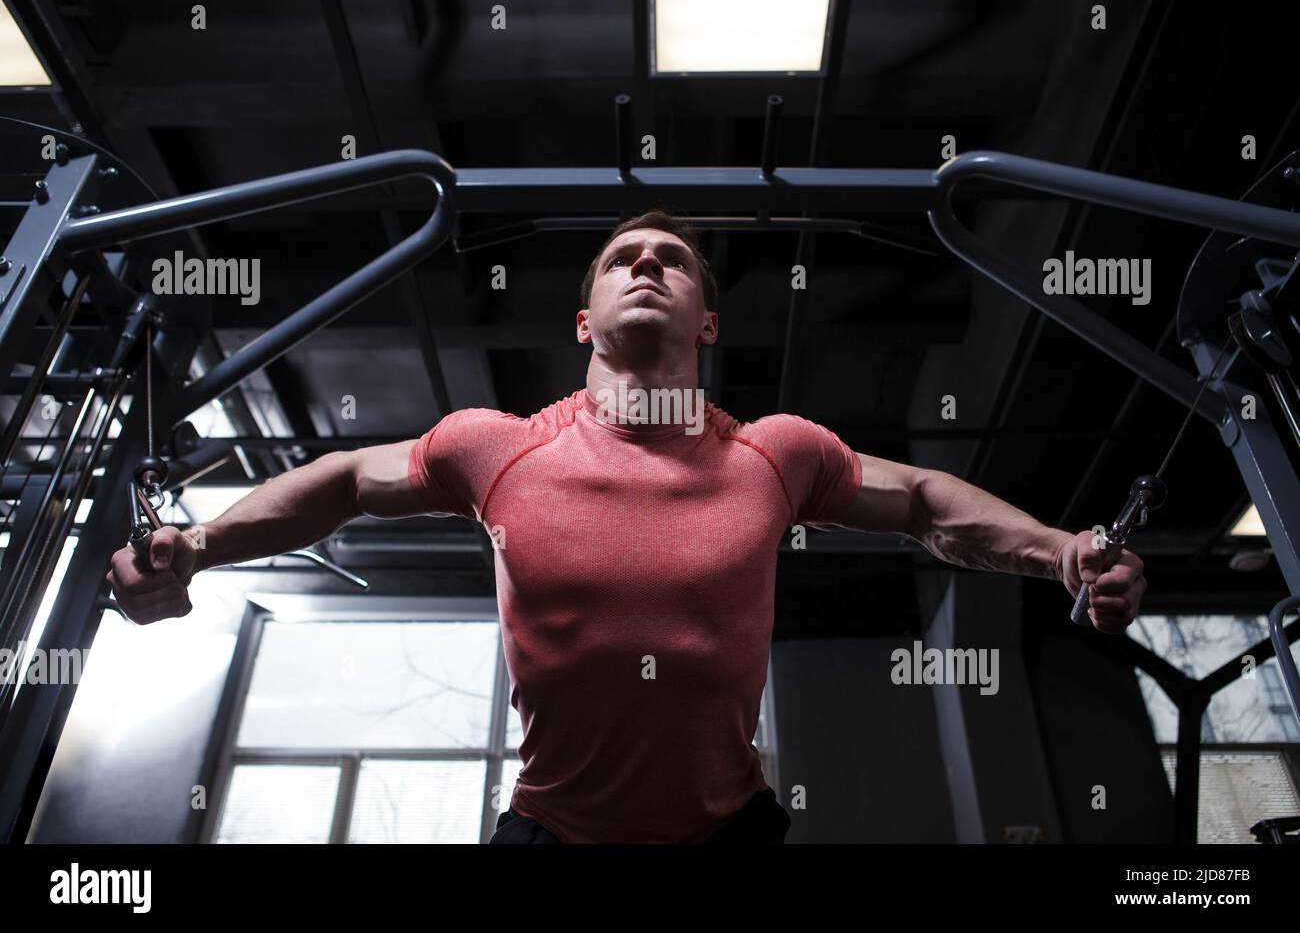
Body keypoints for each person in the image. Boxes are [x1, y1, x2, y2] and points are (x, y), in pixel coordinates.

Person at [106, 210, 1147, 844]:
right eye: (621, 259)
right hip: (551, 832)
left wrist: (1061, 551)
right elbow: (337, 479)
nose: (646, 265)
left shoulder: (775, 454)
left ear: (706, 319)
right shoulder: (494, 446)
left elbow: (923, 502)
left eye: (672, 261)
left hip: (727, 832)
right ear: (583, 318)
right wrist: (197, 545)